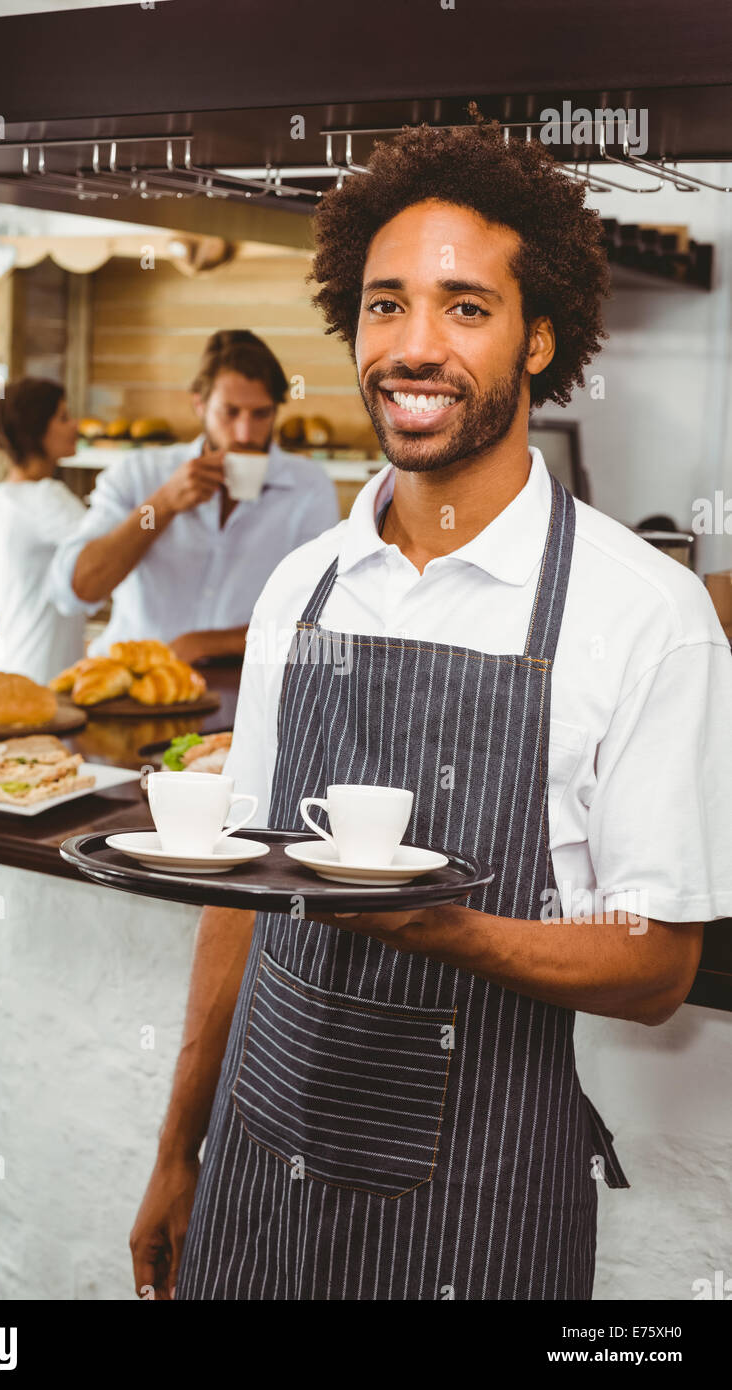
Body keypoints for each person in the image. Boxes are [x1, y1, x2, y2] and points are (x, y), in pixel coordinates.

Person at [129, 120, 732, 1302]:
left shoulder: (644, 614)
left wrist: (441, 929)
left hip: (481, 1206)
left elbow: (656, 963)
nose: (412, 345)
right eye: (384, 303)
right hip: (259, 1166)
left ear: (540, 335)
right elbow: (240, 900)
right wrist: (176, 1144)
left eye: (463, 307)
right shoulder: (299, 587)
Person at [48, 330, 340, 664]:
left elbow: (318, 623)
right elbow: (74, 592)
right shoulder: (139, 474)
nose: (245, 433)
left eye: (261, 414)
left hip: (241, 695)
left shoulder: (308, 488)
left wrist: (206, 644)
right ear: (199, 405)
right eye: (230, 412)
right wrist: (163, 505)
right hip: (132, 691)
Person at [0, 379, 88, 685]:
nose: (75, 424)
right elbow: (111, 555)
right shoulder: (48, 497)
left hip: (5, 678)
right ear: (37, 431)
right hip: (49, 683)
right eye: (63, 417)